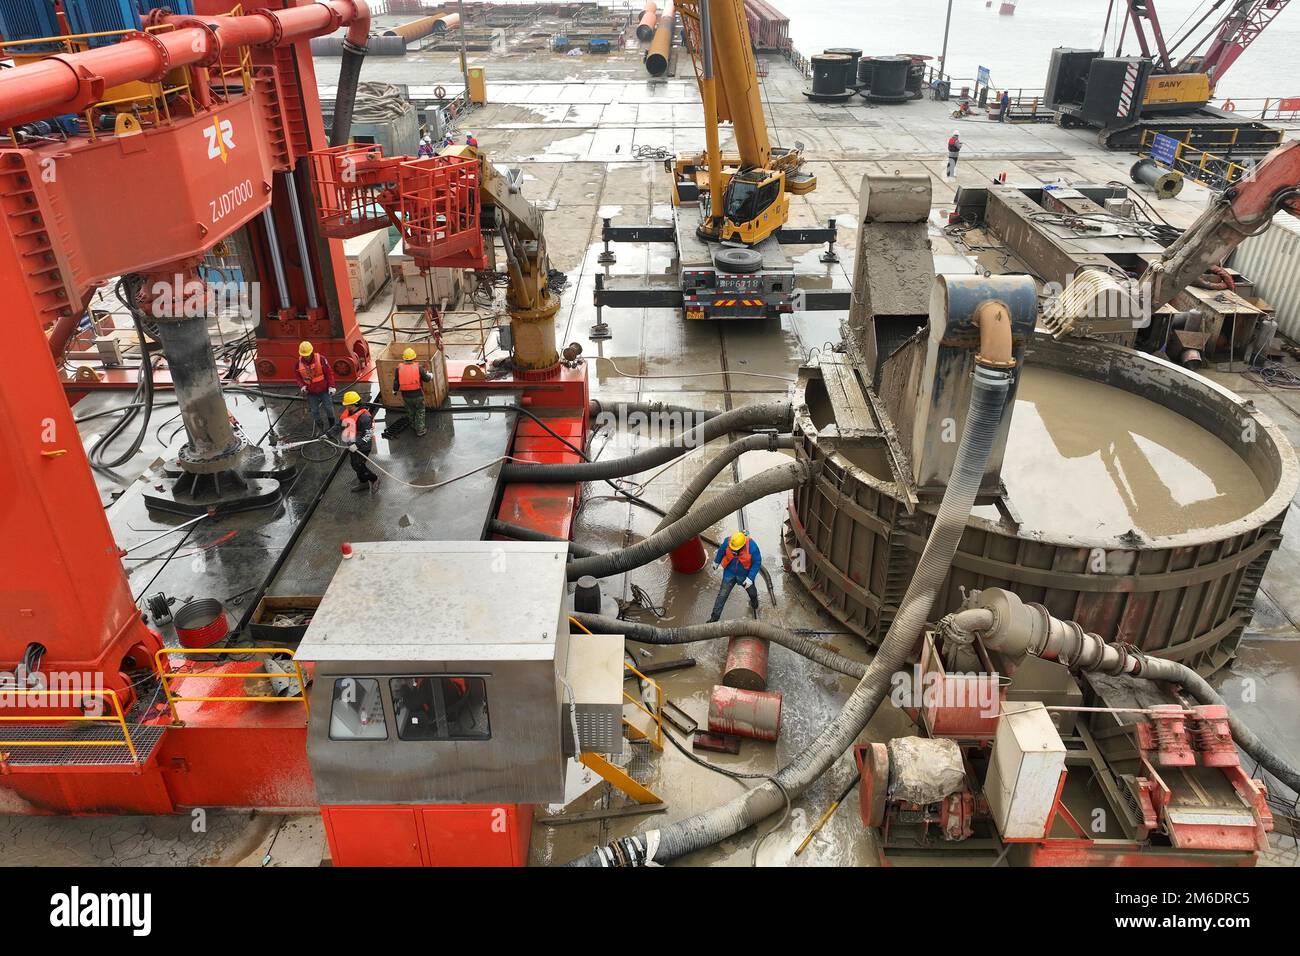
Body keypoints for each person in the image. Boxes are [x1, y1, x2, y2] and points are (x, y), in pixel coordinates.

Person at [706, 532, 762, 623]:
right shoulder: (728, 542)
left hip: (745, 575)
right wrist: (716, 561)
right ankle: (714, 618)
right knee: (722, 596)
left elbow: (757, 562)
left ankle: (754, 604)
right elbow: (721, 551)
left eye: (736, 549)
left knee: (752, 593)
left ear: (743, 545)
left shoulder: (752, 547)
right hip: (729, 573)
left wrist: (750, 578)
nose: (733, 551)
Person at [339, 391, 380, 495]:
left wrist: (357, 445)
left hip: (363, 446)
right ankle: (364, 483)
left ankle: (374, 479)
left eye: (348, 405)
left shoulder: (365, 417)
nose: (346, 407)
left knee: (359, 465)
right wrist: (328, 434)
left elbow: (368, 434)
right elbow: (339, 424)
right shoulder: (349, 412)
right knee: (355, 465)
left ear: (354, 404)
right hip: (352, 443)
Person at [295, 340, 337, 434]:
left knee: (329, 408)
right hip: (311, 392)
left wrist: (331, 386)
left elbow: (329, 373)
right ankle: (320, 429)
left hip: (324, 390)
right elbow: (298, 377)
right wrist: (302, 386)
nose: (306, 356)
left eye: (307, 354)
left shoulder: (321, 359)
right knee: (314, 411)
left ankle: (332, 427)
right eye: (304, 355)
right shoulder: (298, 363)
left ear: (311, 352)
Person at [393, 347, 434, 437]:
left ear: (404, 358)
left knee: (410, 410)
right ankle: (420, 430)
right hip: (417, 395)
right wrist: (431, 375)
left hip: (406, 396)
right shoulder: (418, 368)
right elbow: (426, 379)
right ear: (414, 358)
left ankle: (413, 425)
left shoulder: (398, 368)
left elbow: (396, 382)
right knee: (420, 411)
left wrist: (394, 391)